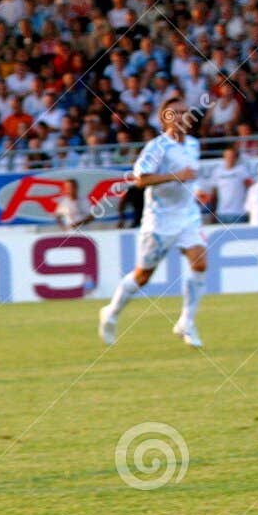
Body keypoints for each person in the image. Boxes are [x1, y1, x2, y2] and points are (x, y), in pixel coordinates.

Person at [98, 92, 207, 348]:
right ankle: (111, 312)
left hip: (187, 215)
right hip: (159, 220)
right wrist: (175, 176)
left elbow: (191, 176)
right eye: (174, 113)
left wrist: (198, 189)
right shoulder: (157, 147)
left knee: (200, 262)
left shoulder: (193, 144)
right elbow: (140, 179)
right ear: (164, 120)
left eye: (184, 112)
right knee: (143, 275)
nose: (181, 116)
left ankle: (186, 322)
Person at [206, 146, 252, 224]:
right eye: (227, 156)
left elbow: (250, 189)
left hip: (239, 213)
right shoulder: (217, 172)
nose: (230, 158)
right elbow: (214, 194)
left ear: (236, 158)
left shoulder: (242, 170)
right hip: (221, 214)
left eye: (232, 156)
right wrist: (212, 213)